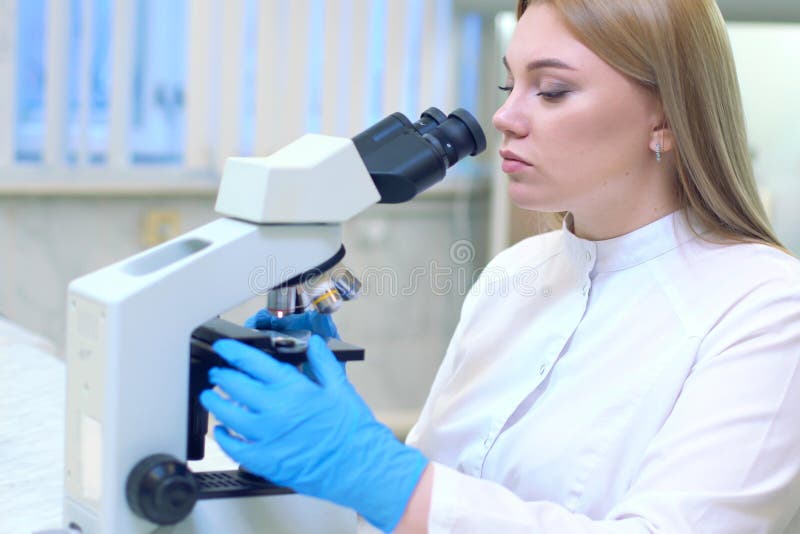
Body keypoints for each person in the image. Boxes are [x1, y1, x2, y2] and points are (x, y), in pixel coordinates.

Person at [200, 0, 800, 532]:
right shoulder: (512, 276)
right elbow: (423, 503)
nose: (506, 118)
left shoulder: (765, 307)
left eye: (552, 90)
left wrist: (377, 472)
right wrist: (328, 445)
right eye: (507, 87)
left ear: (666, 117)